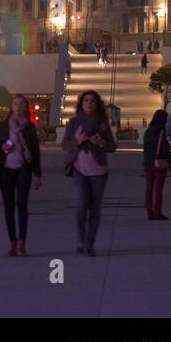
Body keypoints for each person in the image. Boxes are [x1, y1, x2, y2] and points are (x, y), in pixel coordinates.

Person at [62, 89, 116, 256]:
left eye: (92, 101)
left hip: (98, 170)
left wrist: (100, 143)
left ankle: (89, 243)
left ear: (96, 104)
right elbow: (65, 144)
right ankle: (80, 238)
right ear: (81, 103)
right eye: (86, 100)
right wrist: (78, 142)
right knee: (81, 205)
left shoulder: (102, 123)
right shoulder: (74, 122)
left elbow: (112, 146)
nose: (89, 103)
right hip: (79, 168)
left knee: (95, 208)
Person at [0, 94, 42, 256]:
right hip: (6, 170)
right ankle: (12, 242)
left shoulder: (29, 127)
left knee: (22, 204)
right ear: (11, 106)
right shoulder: (2, 126)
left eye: (21, 104)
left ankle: (22, 241)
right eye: (15, 103)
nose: (18, 106)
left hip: (24, 168)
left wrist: (38, 174)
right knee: (8, 206)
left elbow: (35, 151)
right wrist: (2, 148)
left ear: (25, 107)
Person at [142, 109, 171, 221]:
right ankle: (158, 212)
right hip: (159, 163)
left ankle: (149, 212)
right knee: (158, 189)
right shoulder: (161, 132)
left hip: (147, 163)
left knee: (149, 188)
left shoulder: (148, 131)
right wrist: (170, 163)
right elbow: (165, 149)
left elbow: (145, 147)